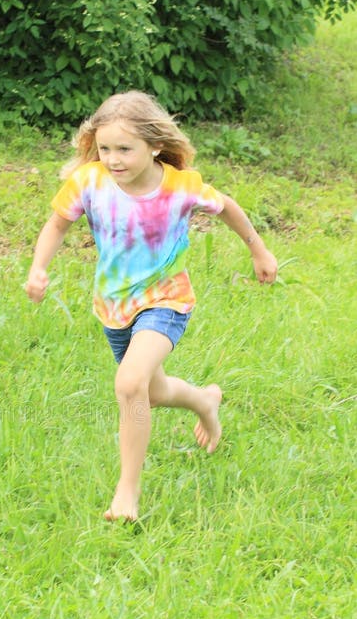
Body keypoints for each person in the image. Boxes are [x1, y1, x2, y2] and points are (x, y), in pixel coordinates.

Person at [25, 91, 278, 522]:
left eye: (125, 149)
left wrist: (258, 250)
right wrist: (38, 268)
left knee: (128, 384)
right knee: (151, 392)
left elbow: (228, 209)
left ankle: (127, 493)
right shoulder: (89, 182)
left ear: (155, 145)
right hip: (114, 306)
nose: (113, 159)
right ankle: (204, 400)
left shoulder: (180, 187)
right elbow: (56, 224)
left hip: (167, 301)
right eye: (105, 148)